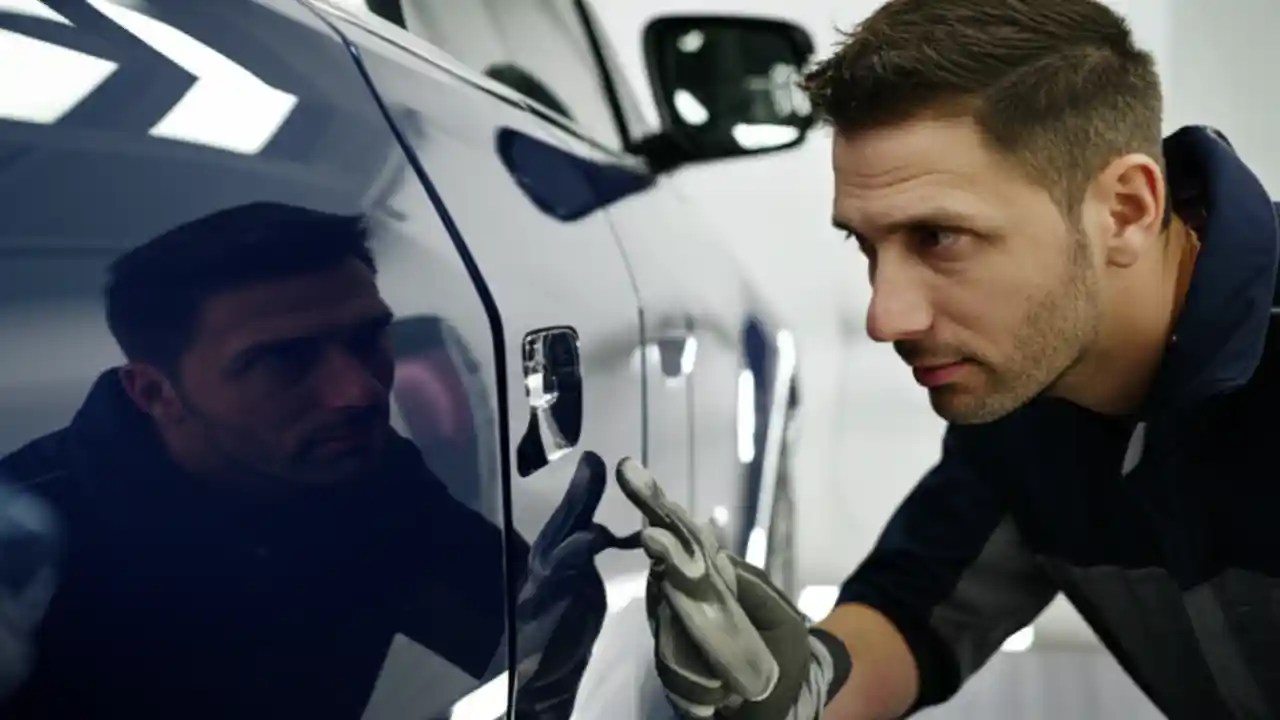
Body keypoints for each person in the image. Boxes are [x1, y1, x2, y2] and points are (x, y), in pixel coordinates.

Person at [617, 0, 1280, 718]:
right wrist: (792, 687)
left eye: (939, 238)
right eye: (867, 248)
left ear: (1125, 210)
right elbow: (908, 617)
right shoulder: (1030, 399)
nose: (886, 317)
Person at [0, 202, 535, 719]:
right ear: (155, 393)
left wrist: (554, 606)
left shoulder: (358, 470)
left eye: (368, 338)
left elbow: (508, 633)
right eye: (283, 359)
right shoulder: (27, 548)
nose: (360, 391)